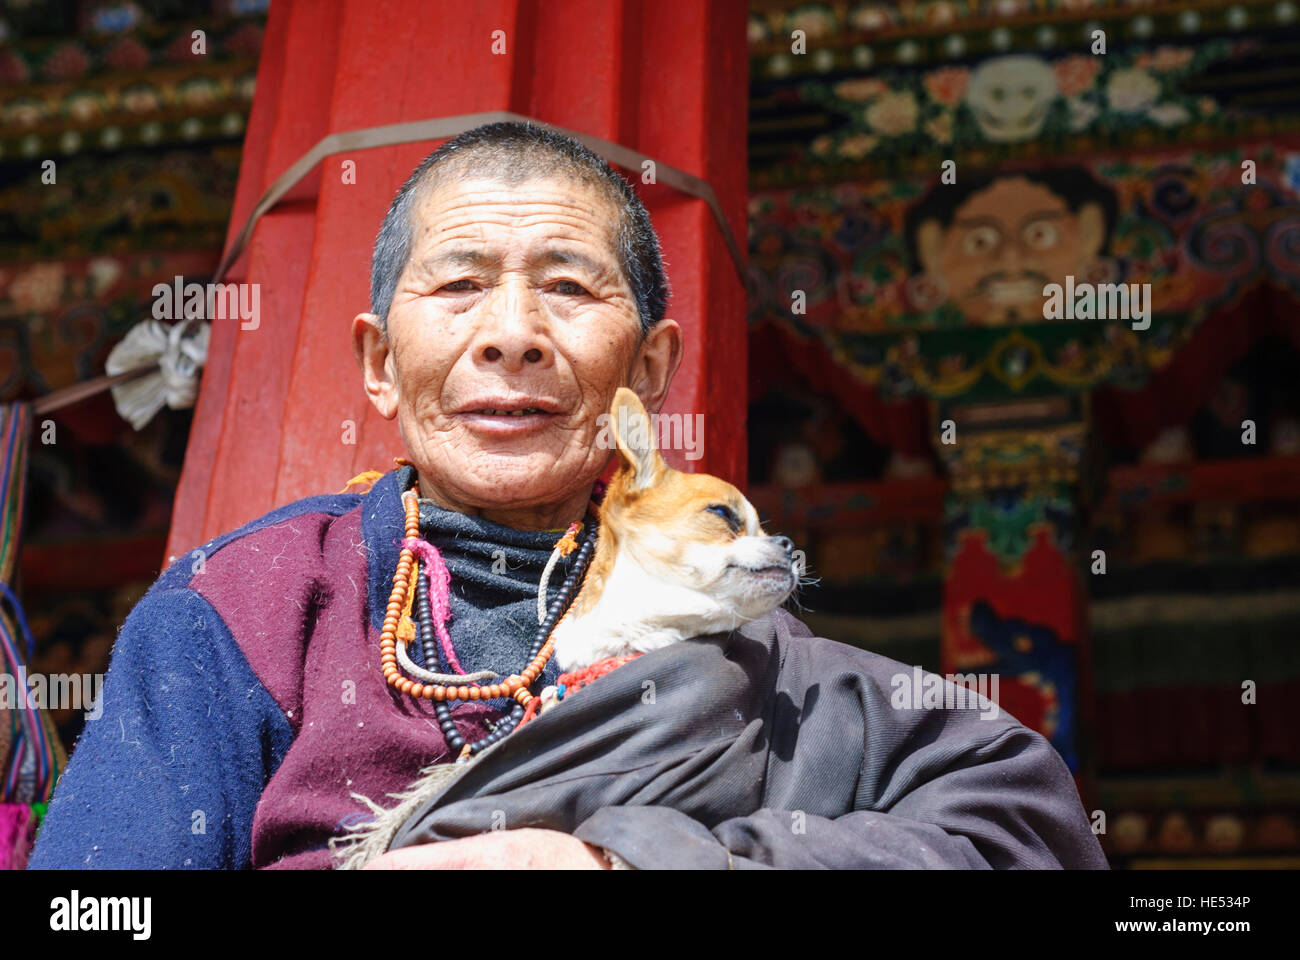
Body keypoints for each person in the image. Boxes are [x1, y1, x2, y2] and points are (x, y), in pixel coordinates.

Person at [29, 122, 1107, 869]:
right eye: (456, 285)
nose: (510, 334)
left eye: (565, 285)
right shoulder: (248, 611)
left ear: (647, 368)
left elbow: (1030, 831)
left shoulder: (751, 658)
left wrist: (619, 861)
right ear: (377, 361)